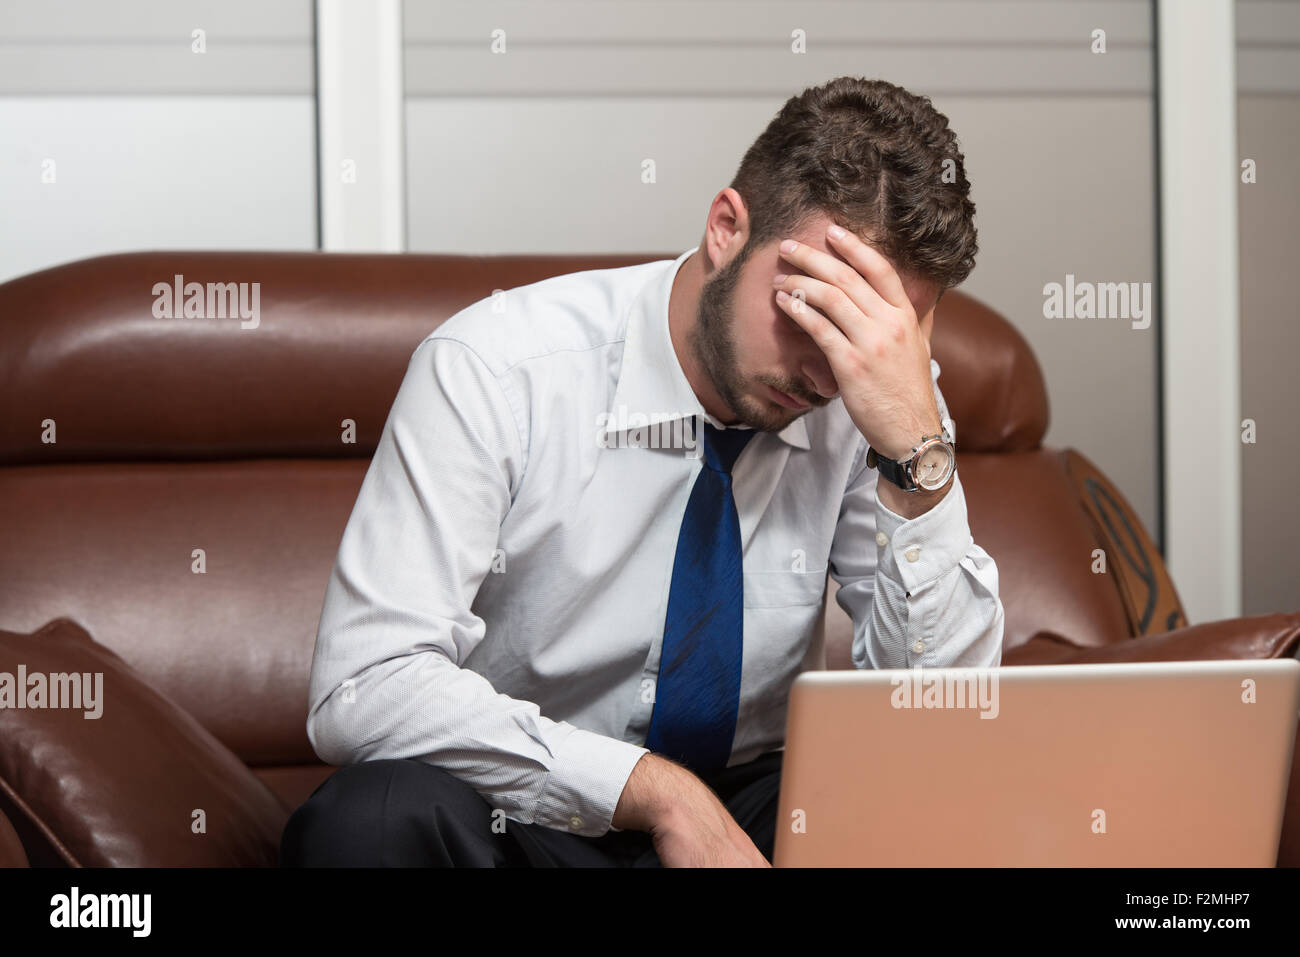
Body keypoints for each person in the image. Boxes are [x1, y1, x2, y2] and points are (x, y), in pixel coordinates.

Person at [281, 75, 1004, 868]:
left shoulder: (880, 404)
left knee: (942, 820)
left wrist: (917, 456)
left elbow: (941, 724)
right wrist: (653, 790)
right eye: (813, 310)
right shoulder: (497, 370)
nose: (826, 372)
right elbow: (363, 685)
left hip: (756, 812)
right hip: (533, 805)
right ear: (728, 228)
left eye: (867, 332)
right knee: (373, 820)